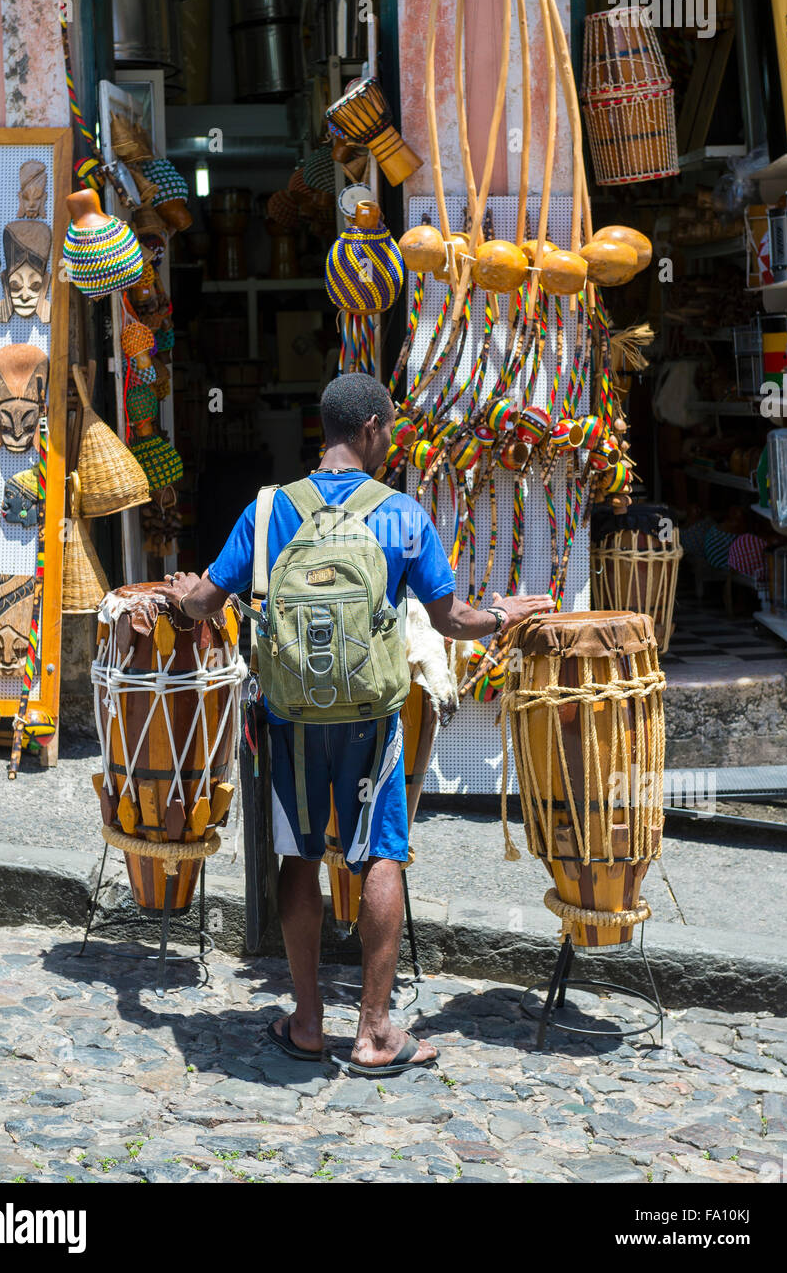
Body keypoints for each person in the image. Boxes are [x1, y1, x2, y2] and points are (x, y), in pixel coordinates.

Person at [167, 375, 553, 1075]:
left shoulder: (267, 509)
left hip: (289, 717)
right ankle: (374, 1033)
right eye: (390, 429)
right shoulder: (401, 515)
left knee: (300, 856)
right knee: (380, 855)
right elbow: (451, 621)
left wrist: (182, 594)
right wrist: (505, 615)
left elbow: (205, 602)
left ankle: (308, 1022)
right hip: (370, 721)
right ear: (372, 427)